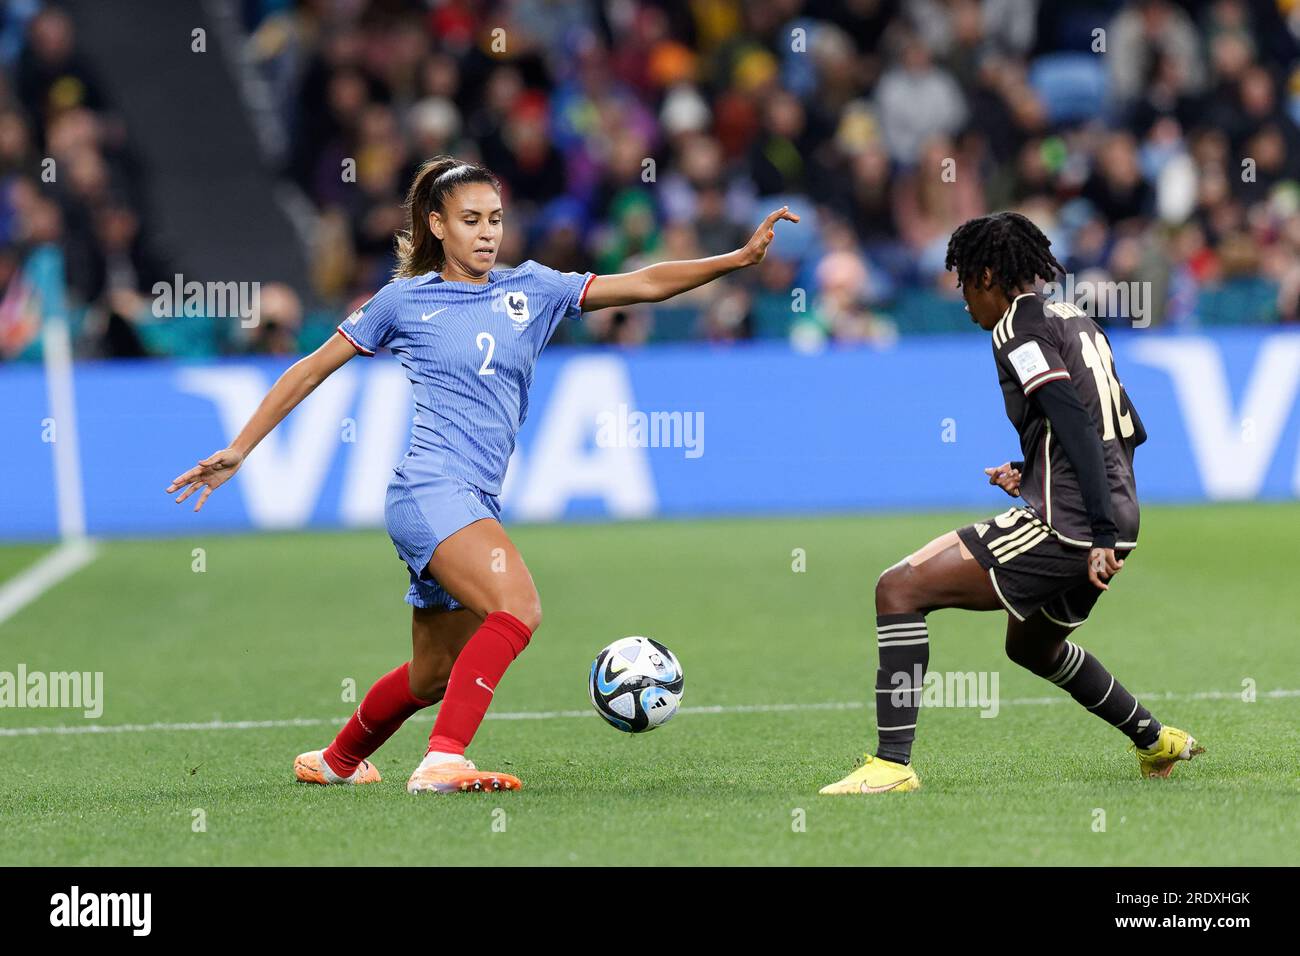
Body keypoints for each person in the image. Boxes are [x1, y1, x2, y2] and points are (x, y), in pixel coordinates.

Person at [166, 156, 798, 794]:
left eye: (495, 219)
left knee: (432, 673)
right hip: (428, 489)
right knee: (518, 606)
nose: (488, 232)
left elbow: (642, 283)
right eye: (471, 220)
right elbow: (310, 368)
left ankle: (334, 761)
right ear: (437, 226)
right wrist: (241, 447)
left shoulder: (535, 288)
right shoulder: (404, 301)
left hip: (468, 498)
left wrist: (734, 261)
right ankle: (443, 760)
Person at [819, 211, 1203, 795]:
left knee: (898, 588)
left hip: (1072, 522)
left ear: (990, 276)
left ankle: (892, 765)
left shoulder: (1016, 328)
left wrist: (1094, 525)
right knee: (1031, 644)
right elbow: (1122, 425)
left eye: (965, 283)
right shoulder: (1075, 317)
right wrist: (1040, 470)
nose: (964, 299)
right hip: (1115, 513)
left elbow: (1072, 416)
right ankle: (1156, 741)